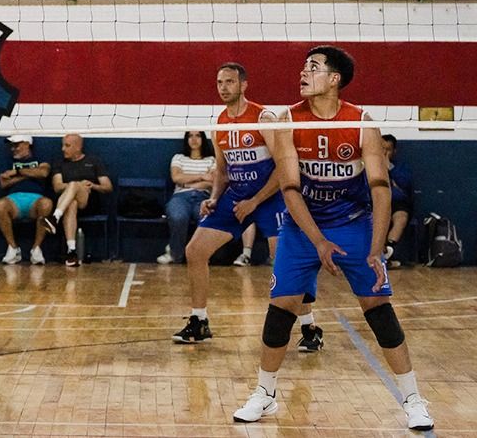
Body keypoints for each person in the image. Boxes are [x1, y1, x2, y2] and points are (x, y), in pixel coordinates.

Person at [233, 46, 433, 431]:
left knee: (377, 304)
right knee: (282, 305)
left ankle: (412, 398)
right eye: (304, 67)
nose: (303, 73)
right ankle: (265, 393)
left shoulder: (361, 122)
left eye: (314, 67)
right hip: (304, 224)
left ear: (335, 78)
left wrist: (377, 249)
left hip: (353, 222)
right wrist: (318, 242)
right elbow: (290, 188)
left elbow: (381, 189)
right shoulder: (289, 120)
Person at [173, 63, 321, 348]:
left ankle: (309, 327)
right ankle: (199, 320)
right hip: (237, 197)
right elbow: (222, 170)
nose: (223, 87)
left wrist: (255, 201)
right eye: (219, 82)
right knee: (195, 250)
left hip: (270, 197)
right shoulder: (219, 124)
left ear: (243, 85)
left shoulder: (262, 118)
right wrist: (214, 198)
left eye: (229, 81)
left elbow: (283, 168)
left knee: (286, 262)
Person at [47, 134, 113, 266]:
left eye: (67, 145)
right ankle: (72, 251)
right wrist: (77, 185)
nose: (63, 149)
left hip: (89, 203)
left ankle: (55, 218)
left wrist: (91, 185)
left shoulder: (93, 161)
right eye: (63, 145)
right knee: (72, 201)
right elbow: (57, 186)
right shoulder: (59, 163)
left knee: (73, 186)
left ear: (78, 147)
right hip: (68, 204)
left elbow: (108, 187)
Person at [0, 135, 55, 265]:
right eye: (12, 146)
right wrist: (29, 175)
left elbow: (43, 173)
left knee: (47, 204)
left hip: (35, 200)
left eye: (17, 145)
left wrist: (17, 172)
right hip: (14, 200)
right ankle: (13, 249)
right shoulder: (7, 161)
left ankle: (36, 249)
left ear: (27, 144)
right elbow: (4, 183)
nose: (13, 149)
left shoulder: (40, 159)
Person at [156, 131, 215, 265]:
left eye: (198, 135)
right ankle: (175, 254)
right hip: (180, 197)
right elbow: (176, 178)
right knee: (178, 217)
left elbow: (211, 182)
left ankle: (201, 256)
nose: (194, 139)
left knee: (205, 219)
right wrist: (201, 176)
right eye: (190, 136)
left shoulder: (211, 160)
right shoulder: (179, 158)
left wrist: (186, 181)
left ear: (203, 139)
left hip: (203, 197)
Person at [382, 134, 413, 267]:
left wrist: (388, 166)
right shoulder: (370, 166)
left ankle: (388, 251)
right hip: (377, 203)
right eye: (382, 149)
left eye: (388, 149)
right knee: (381, 217)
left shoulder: (400, 167)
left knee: (401, 217)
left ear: (394, 151)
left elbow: (405, 185)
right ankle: (382, 254)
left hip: (397, 203)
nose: (384, 153)